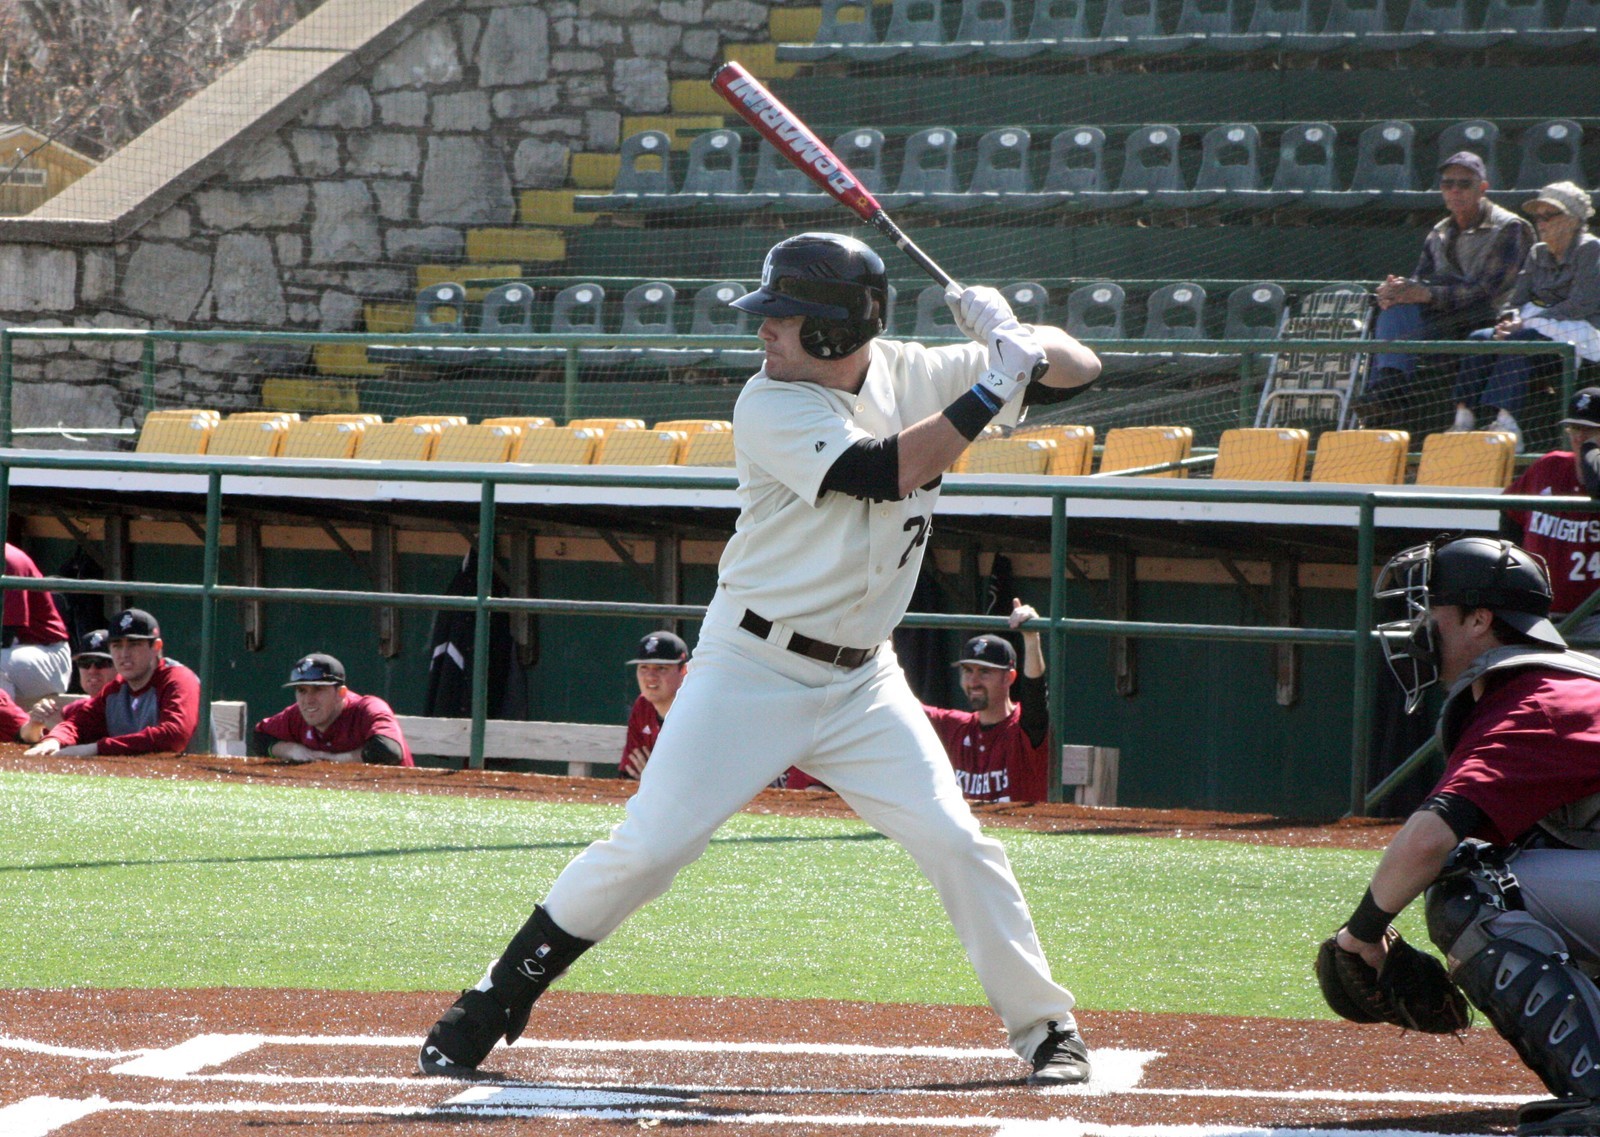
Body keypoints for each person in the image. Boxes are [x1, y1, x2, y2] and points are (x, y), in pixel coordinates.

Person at [417, 231, 1103, 1086]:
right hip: (751, 667)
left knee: (957, 842)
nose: (763, 330)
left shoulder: (919, 371)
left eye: (782, 315)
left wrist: (1014, 335)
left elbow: (1084, 368)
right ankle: (493, 998)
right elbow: (883, 469)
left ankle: (1045, 1026)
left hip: (863, 680)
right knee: (649, 848)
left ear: (833, 329)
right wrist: (997, 379)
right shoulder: (768, 402)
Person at [1329, 536, 1600, 1136]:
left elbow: (1430, 838)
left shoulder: (1536, 701)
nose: (1418, 627)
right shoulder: (1567, 682)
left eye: (1432, 609)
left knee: (1472, 887)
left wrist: (1362, 933)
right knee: (1519, 860)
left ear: (1480, 620)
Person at [1360, 152, 1534, 431]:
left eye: (1464, 184)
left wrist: (1428, 295)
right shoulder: (1439, 231)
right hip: (1445, 318)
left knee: (1410, 308)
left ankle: (1388, 393)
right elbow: (1421, 280)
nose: (1455, 190)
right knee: (1395, 307)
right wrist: (1396, 290)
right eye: (1447, 183)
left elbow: (1488, 292)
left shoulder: (1510, 227)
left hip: (1491, 319)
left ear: (1482, 188)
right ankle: (1387, 392)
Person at [1455, 182, 1600, 451]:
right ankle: (1463, 419)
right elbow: (1516, 301)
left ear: (1572, 221)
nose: (1540, 223)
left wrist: (1531, 322)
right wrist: (1508, 321)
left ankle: (1507, 425)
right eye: (1538, 216)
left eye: (1549, 216)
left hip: (1580, 334)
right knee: (1479, 338)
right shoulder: (1537, 252)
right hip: (1532, 328)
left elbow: (1582, 303)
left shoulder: (1591, 248)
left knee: (1521, 340)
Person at [21, 607, 199, 757]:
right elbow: (78, 724)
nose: (124, 654)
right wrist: (55, 740)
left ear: (156, 647)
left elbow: (174, 736)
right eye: (117, 645)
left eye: (134, 644)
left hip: (191, 781)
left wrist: (97, 748)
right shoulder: (116, 688)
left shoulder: (178, 679)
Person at [1502, 386, 1600, 653]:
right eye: (1575, 428)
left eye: (1590, 430)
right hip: (1535, 615)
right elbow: (1509, 512)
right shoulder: (1548, 467)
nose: (1579, 437)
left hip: (1593, 619)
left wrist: (1591, 453)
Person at [926, 600, 1051, 803]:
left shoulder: (1024, 728)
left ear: (1009, 677)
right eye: (968, 671)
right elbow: (900, 705)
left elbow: (1035, 693)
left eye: (984, 672)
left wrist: (1031, 638)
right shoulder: (955, 726)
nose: (973, 681)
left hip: (1019, 823)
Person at [252, 653, 413, 766]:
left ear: (341, 693)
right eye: (302, 690)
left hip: (397, 796)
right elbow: (260, 738)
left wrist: (336, 759)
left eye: (318, 689)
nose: (308, 700)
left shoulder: (367, 709)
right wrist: (291, 750)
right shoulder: (297, 715)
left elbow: (389, 752)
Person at [1, 542, 72, 705]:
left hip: (48, 654)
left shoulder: (7, 559)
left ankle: (6, 720)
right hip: (15, 654)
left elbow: (5, 634)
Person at [18, 629, 116, 744]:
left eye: (102, 663)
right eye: (85, 663)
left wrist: (58, 726)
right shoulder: (77, 708)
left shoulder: (127, 708)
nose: (92, 670)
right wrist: (35, 723)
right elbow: (27, 736)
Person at [619, 631, 688, 779]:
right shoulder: (643, 706)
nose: (650, 677)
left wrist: (655, 775)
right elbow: (630, 774)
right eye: (644, 667)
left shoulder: (697, 711)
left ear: (683, 671)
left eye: (661, 668)